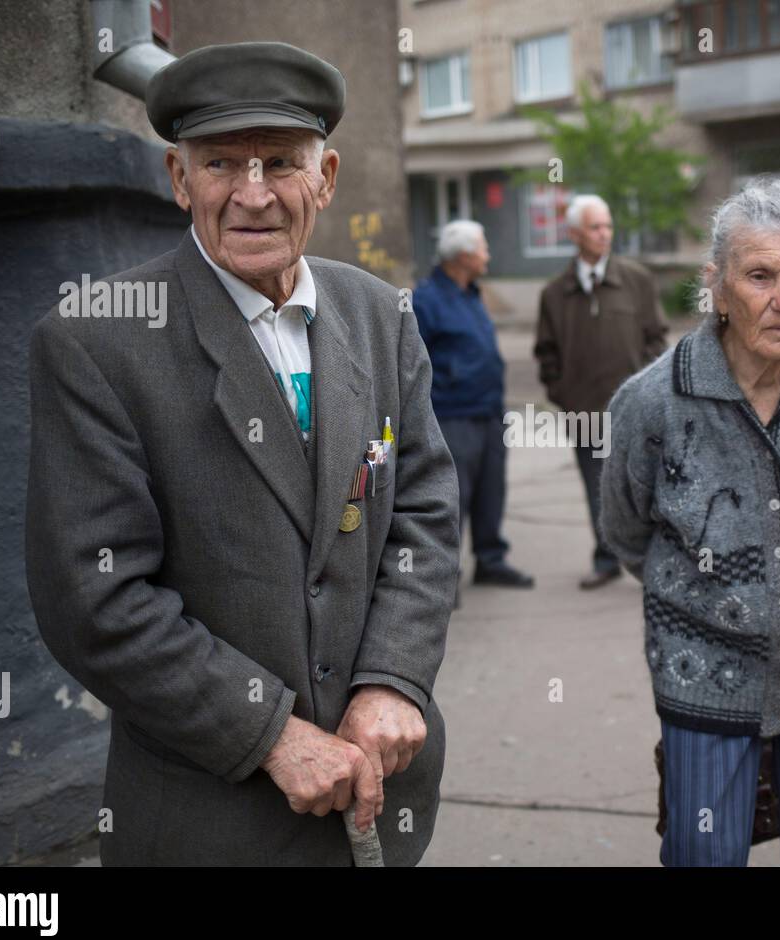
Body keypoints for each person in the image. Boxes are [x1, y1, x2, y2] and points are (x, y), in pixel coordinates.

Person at [24, 42, 458, 865]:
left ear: (325, 177)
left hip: (383, 788)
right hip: (213, 816)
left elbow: (424, 514)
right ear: (179, 179)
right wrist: (272, 736)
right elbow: (95, 600)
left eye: (281, 163)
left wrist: (391, 681)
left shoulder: (379, 314)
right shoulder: (96, 340)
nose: (251, 194)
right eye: (221, 163)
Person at [599, 177, 780, 867]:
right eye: (760, 275)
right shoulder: (652, 403)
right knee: (704, 855)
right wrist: (718, 596)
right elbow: (626, 530)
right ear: (718, 286)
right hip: (705, 670)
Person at [535, 194, 669, 589]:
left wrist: (648, 391)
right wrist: (564, 394)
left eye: (608, 226)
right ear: (574, 234)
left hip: (635, 412)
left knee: (647, 486)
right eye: (596, 227)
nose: (605, 234)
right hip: (583, 414)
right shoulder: (554, 293)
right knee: (598, 490)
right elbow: (546, 354)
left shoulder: (637, 281)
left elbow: (656, 340)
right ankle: (606, 558)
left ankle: (656, 561)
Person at [413, 220, 534, 601]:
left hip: (488, 411)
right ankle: (445, 578)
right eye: (483, 248)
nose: (488, 255)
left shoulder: (471, 293)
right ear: (464, 256)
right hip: (453, 414)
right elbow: (415, 363)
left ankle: (490, 560)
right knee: (454, 498)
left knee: (490, 490)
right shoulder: (426, 300)